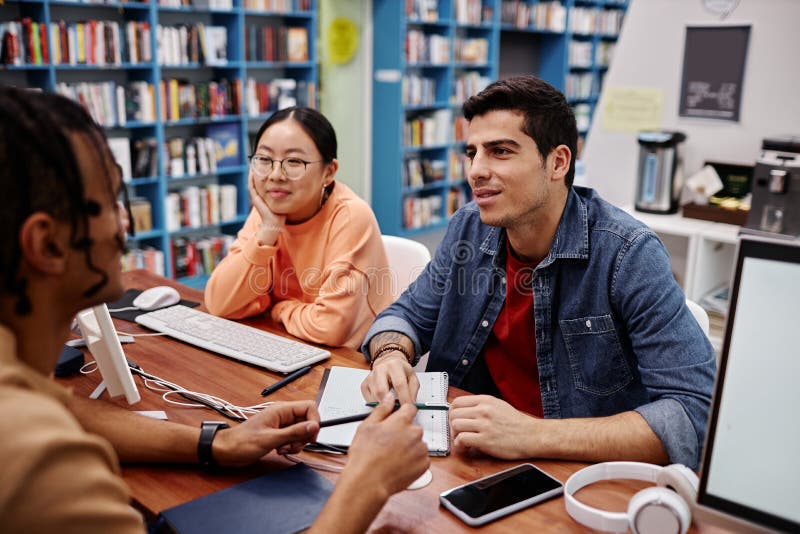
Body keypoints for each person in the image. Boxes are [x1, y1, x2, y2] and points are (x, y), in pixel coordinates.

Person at [0, 87, 429, 533]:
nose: (127, 223)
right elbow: (220, 303)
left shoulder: (25, 394)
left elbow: (73, 412)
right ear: (46, 243)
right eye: (113, 202)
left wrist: (216, 441)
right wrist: (366, 486)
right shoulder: (42, 463)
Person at [360, 76, 716, 470]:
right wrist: (390, 355)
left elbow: (692, 414)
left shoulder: (627, 253)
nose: (476, 170)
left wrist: (531, 434)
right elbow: (406, 314)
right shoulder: (469, 227)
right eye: (472, 152)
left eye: (500, 151)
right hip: (468, 454)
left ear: (558, 162)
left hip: (573, 472)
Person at [205, 107, 392, 349]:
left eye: (294, 161)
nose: (275, 174)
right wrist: (269, 230)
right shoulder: (269, 212)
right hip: (288, 345)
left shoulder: (350, 216)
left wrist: (279, 308)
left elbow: (329, 328)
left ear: (328, 172)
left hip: (348, 363)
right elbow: (220, 302)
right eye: (264, 159)